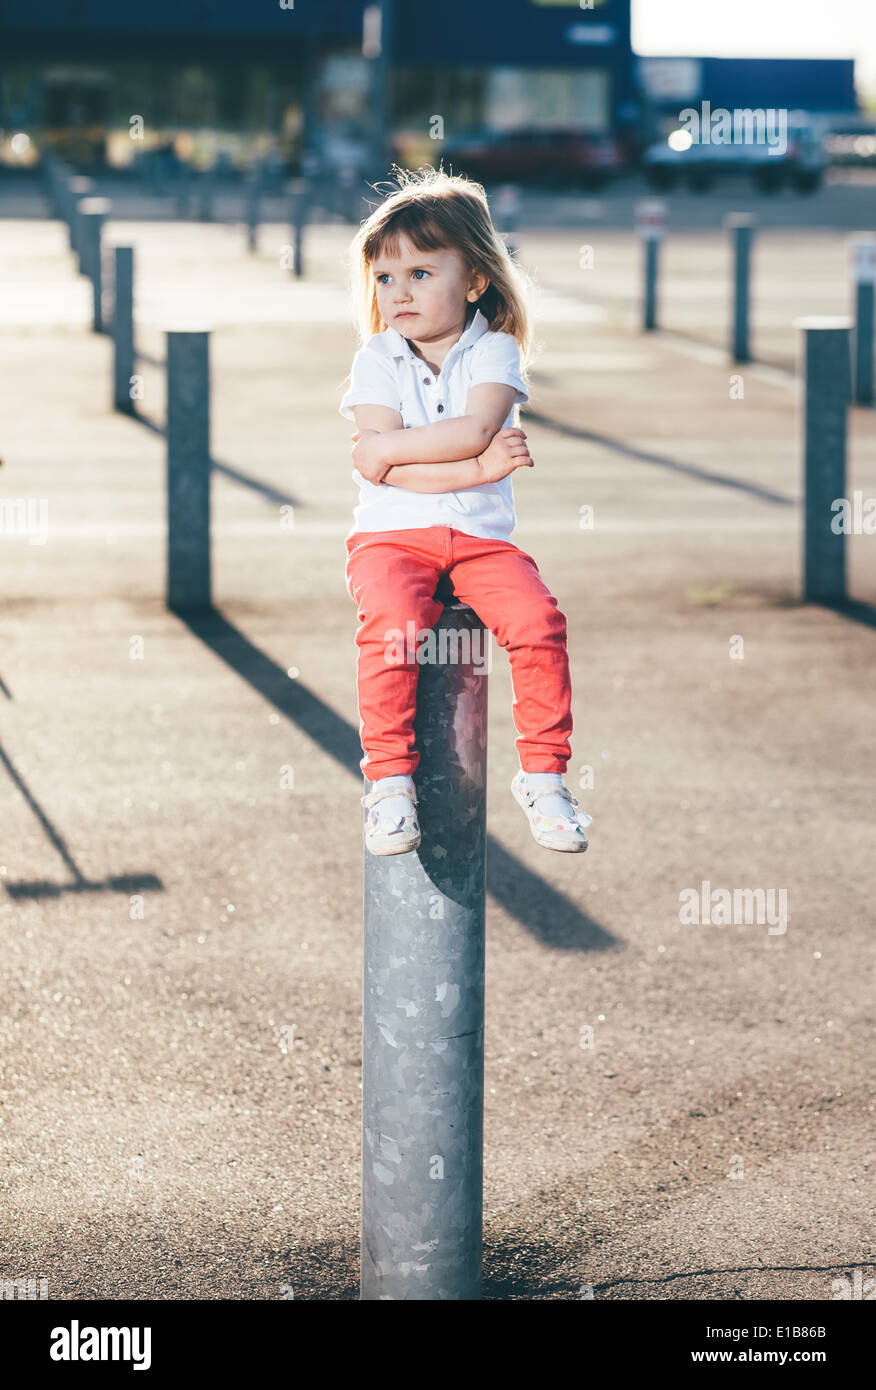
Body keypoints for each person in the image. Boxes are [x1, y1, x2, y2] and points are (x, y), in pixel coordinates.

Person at [339, 166, 591, 857]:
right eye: (385, 278)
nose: (398, 293)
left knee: (539, 623)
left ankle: (544, 778)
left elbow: (458, 434)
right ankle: (389, 783)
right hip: (391, 540)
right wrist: (474, 468)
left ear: (474, 280)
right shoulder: (377, 360)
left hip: (479, 540)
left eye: (421, 273)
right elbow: (378, 463)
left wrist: (400, 454)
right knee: (394, 627)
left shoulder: (495, 351)